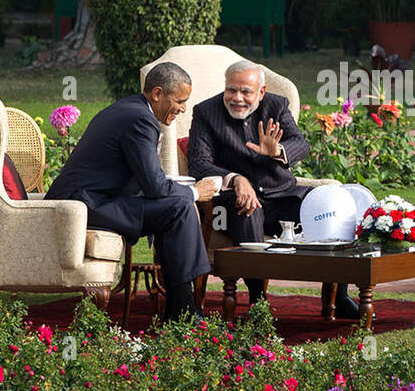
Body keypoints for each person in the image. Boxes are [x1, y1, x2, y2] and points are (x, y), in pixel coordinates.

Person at [187, 59, 362, 319]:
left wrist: (278, 151)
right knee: (248, 208)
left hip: (282, 195)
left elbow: (300, 144)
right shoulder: (206, 112)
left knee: (331, 206)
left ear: (261, 91)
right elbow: (198, 163)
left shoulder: (276, 105)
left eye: (246, 91)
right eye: (231, 90)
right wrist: (235, 179)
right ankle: (259, 303)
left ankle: (341, 294)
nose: (237, 98)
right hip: (234, 202)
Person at [45, 62, 215, 322]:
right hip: (81, 206)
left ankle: (182, 308)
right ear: (157, 94)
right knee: (180, 207)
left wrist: (179, 190)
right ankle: (183, 311)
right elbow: (155, 187)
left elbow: (148, 178)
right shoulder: (140, 118)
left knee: (176, 208)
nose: (183, 108)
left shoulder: (130, 109)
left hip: (94, 200)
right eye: (179, 100)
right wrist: (193, 192)